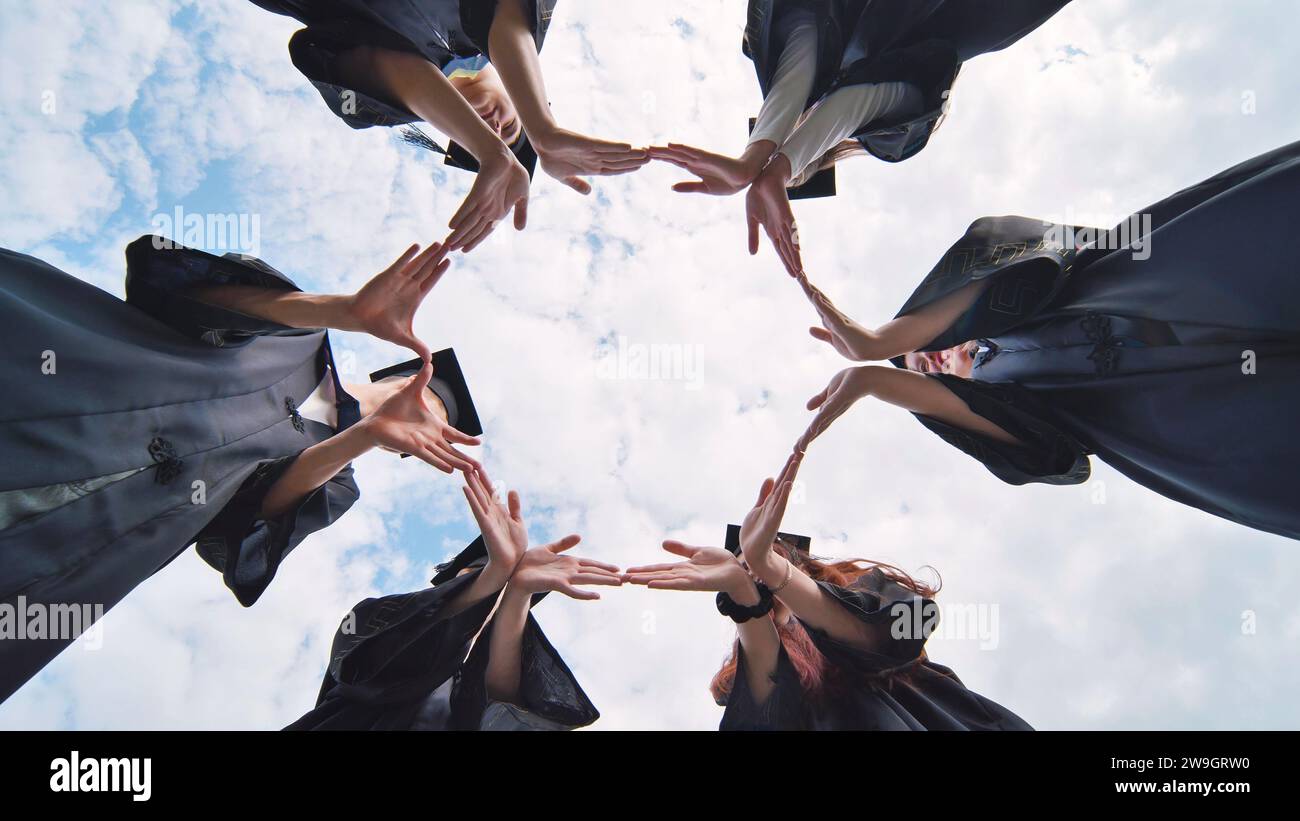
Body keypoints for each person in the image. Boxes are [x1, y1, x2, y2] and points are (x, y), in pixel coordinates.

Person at [0, 236, 480, 702]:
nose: (420, 412)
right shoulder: (299, 334)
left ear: (408, 451)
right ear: (403, 371)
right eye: (427, 395)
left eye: (432, 427)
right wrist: (342, 311)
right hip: (71, 382)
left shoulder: (336, 481)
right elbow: (185, 296)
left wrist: (364, 435)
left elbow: (250, 522)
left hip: (89, 525)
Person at [795, 140, 1300, 541]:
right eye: (929, 370)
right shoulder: (1022, 406)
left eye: (924, 350)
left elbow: (1005, 243)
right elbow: (1048, 458)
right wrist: (871, 381)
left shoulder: (1028, 287)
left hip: (1190, 284)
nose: (933, 358)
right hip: (1184, 410)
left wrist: (882, 340)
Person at [651, 0, 1071, 275]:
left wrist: (759, 157)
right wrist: (779, 166)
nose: (799, 127)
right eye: (804, 145)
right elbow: (851, 107)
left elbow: (800, 52)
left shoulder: (796, 51)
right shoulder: (889, 129)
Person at [626, 451, 1031, 730]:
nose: (754, 571)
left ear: (800, 564)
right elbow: (767, 717)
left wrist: (770, 564)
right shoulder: (740, 674)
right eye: (746, 568)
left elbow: (905, 627)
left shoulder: (861, 589)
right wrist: (743, 600)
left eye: (765, 559)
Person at [252, 0, 649, 253]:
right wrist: (542, 129)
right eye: (509, 131)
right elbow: (506, 23)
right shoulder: (504, 27)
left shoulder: (385, 102)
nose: (494, 129)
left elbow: (393, 69)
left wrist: (492, 153)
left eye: (483, 137)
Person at [287, 469, 618, 730]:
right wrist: (492, 574)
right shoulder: (380, 616)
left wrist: (517, 594)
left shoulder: (494, 670)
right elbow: (373, 665)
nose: (494, 591)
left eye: (500, 590)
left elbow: (498, 704)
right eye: (474, 574)